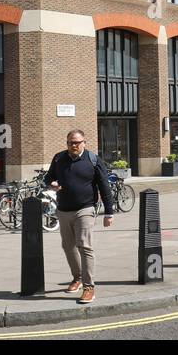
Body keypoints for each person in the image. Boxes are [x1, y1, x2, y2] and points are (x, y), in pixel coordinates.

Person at [42, 129, 114, 305]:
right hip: (63, 209)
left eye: (76, 142)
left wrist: (109, 212)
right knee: (68, 246)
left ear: (84, 142)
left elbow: (104, 186)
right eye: (70, 143)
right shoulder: (59, 158)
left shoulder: (93, 160)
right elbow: (48, 177)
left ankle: (89, 287)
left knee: (84, 245)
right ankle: (77, 278)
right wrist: (51, 184)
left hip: (85, 209)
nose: (73, 145)